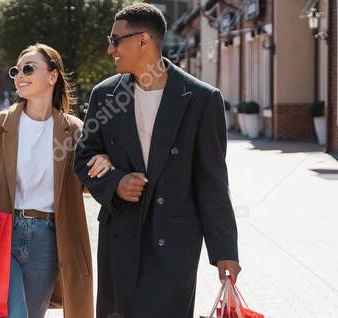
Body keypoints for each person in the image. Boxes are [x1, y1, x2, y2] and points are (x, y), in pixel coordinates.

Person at [73, 3, 242, 318]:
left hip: (174, 244)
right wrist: (115, 183)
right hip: (121, 236)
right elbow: (83, 157)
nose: (110, 49)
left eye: (115, 40)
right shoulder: (104, 95)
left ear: (144, 41)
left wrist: (225, 253)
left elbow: (212, 182)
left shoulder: (202, 99)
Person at [0, 44, 107, 318]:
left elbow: (88, 182)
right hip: (3, 230)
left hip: (48, 238)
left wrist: (103, 163)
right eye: (16, 70)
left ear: (52, 76)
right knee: (14, 313)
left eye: (29, 69)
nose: (20, 76)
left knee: (31, 313)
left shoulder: (73, 129)